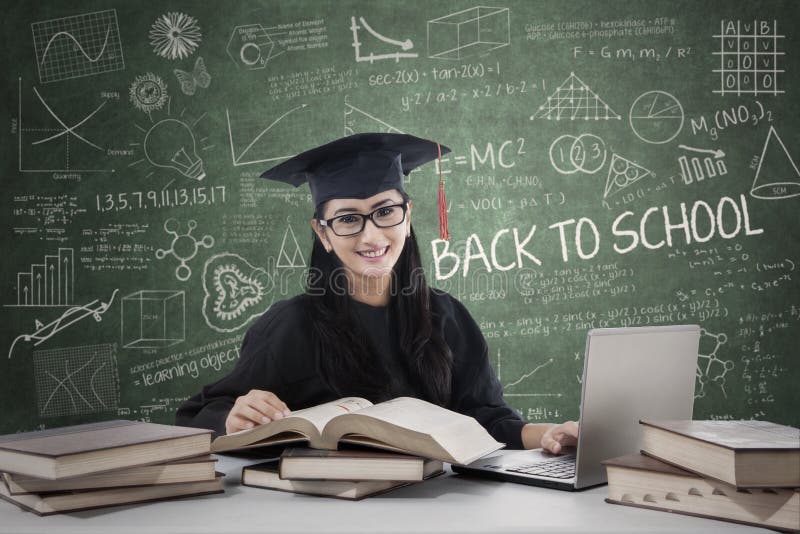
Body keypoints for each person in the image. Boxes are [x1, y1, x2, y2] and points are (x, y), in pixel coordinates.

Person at [175, 133, 578, 453]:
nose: (371, 235)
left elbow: (487, 419)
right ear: (323, 233)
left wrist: (549, 433)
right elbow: (195, 414)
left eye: (385, 211)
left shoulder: (446, 316)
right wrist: (234, 417)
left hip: (441, 510)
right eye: (348, 219)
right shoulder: (292, 326)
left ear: (408, 215)